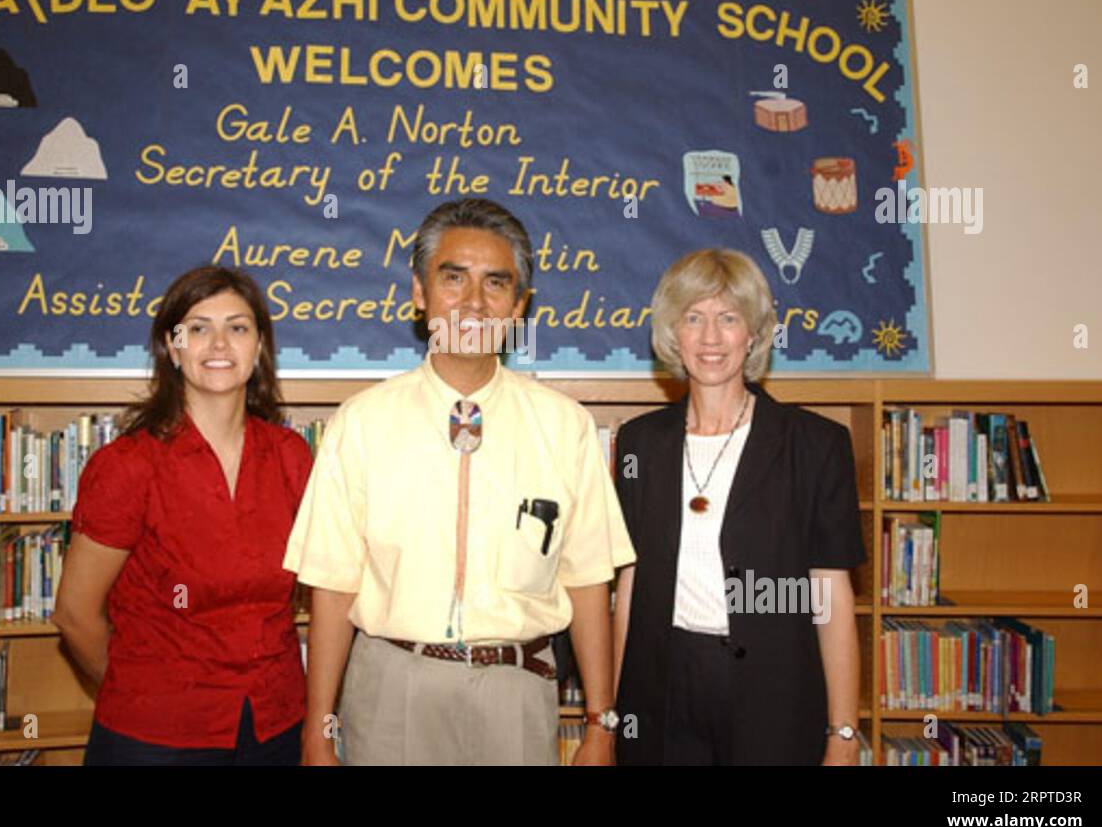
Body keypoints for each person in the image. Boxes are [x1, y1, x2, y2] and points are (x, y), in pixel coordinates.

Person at [284, 198, 636, 766]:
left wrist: (602, 724)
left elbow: (589, 581)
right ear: (420, 295)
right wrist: (318, 730)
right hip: (391, 688)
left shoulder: (563, 426)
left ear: (519, 306)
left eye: (496, 284)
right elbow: (333, 584)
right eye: (454, 279)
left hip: (516, 693)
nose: (473, 302)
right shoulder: (363, 422)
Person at [612, 248, 865, 765]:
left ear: (752, 334)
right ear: (672, 333)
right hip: (663, 692)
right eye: (694, 318)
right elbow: (630, 582)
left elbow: (829, 593)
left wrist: (842, 734)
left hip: (773, 695)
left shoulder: (815, 445)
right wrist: (618, 714)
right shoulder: (639, 444)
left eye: (728, 318)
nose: (710, 337)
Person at [53, 265, 313, 765]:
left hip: (276, 725)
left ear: (258, 348)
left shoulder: (291, 457)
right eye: (197, 328)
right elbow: (74, 614)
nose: (219, 343)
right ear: (172, 348)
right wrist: (143, 692)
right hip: (155, 739)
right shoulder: (128, 466)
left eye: (237, 328)